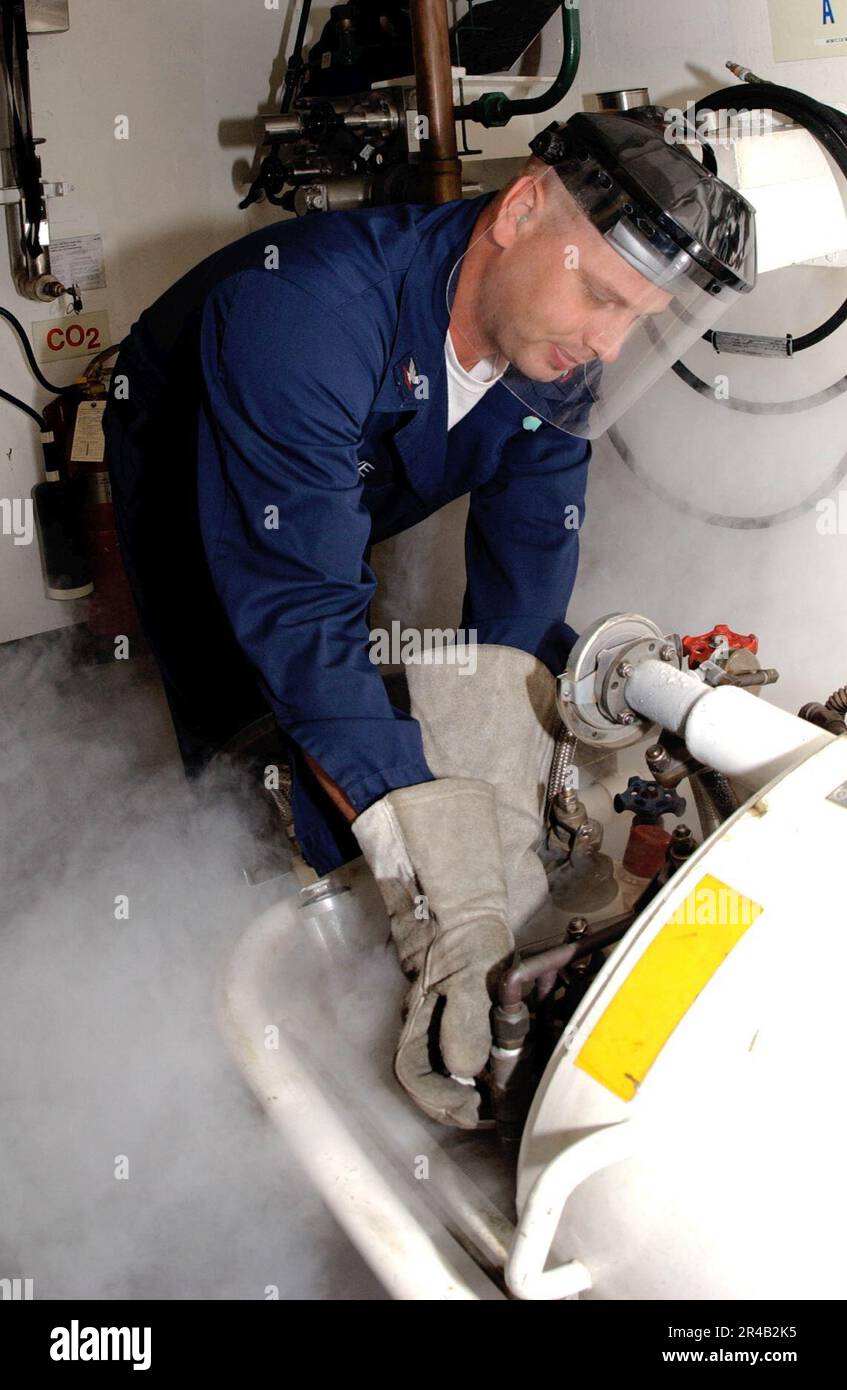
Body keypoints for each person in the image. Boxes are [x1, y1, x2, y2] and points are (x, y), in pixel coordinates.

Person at [104, 108, 756, 1126]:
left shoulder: (557, 351)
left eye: (638, 318)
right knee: (248, 682)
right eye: (596, 294)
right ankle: (236, 945)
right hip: (195, 430)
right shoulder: (302, 317)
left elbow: (526, 577)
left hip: (341, 448)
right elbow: (304, 619)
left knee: (370, 649)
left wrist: (512, 781)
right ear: (521, 207)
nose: (603, 342)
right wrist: (438, 893)